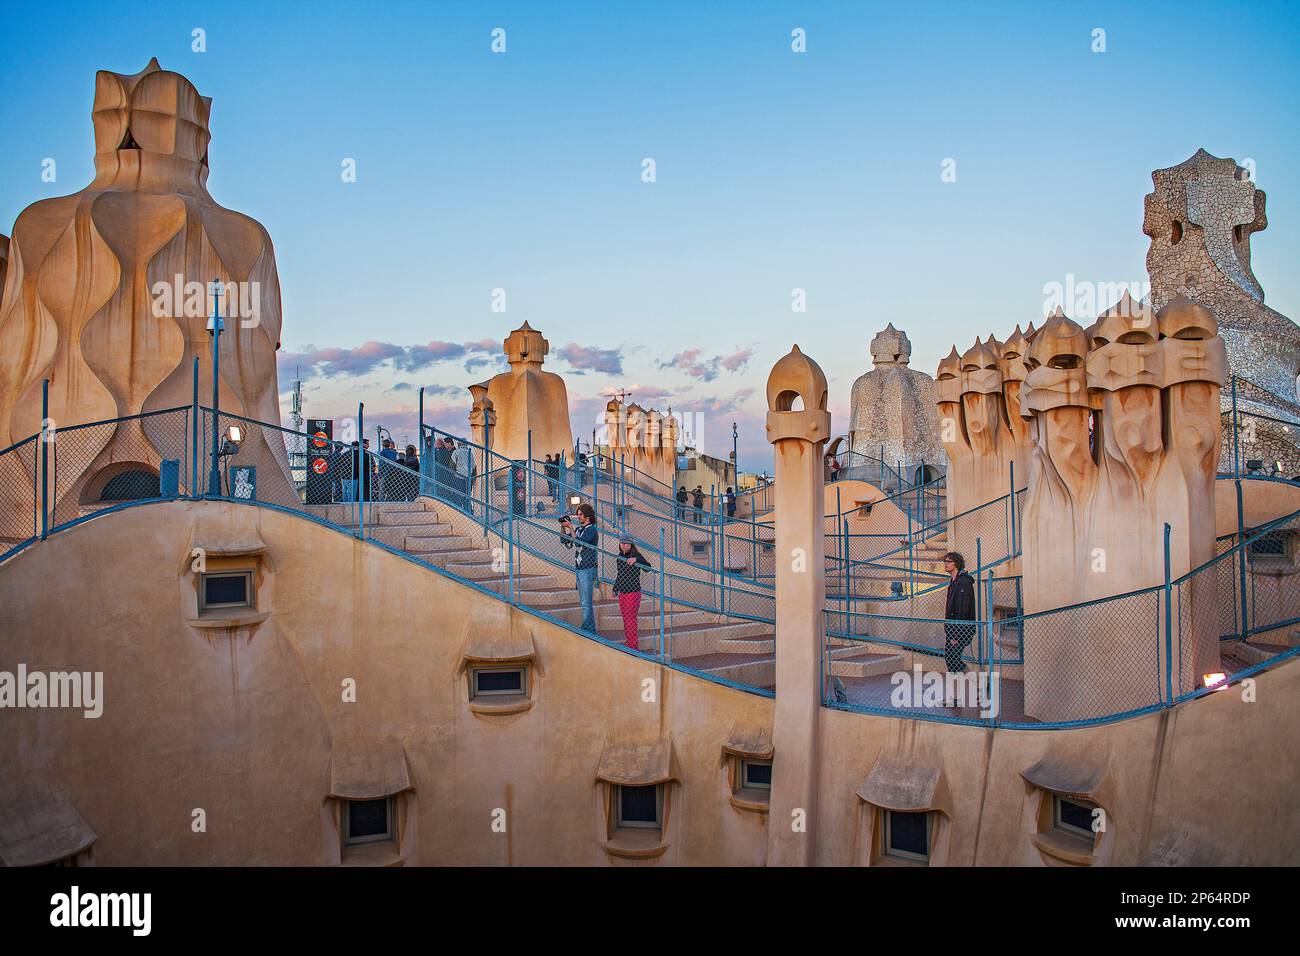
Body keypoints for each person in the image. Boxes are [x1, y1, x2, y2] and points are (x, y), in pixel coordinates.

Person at [943, 551, 977, 704]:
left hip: (960, 630)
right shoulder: (954, 581)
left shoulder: (963, 582)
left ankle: (955, 697)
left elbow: (963, 609)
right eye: (945, 561)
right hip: (954, 630)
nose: (945, 563)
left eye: (948, 561)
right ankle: (979, 685)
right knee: (952, 659)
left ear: (956, 563)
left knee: (952, 659)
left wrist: (956, 635)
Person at [561, 503, 599, 633]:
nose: (578, 517)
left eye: (581, 514)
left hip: (588, 568)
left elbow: (579, 542)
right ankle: (590, 628)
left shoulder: (591, 530)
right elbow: (564, 541)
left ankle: (588, 630)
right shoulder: (578, 529)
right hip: (579, 568)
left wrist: (571, 527)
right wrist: (563, 527)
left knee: (586, 602)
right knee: (584, 601)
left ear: (587, 515)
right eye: (577, 514)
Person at [613, 534, 652, 650]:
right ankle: (628, 642)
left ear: (631, 544)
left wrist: (637, 560)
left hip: (633, 592)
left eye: (626, 543)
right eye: (621, 543)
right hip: (622, 592)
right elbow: (619, 574)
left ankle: (633, 646)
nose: (623, 545)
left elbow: (648, 568)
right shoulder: (620, 556)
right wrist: (615, 588)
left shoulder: (636, 555)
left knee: (631, 619)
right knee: (625, 618)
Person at [451, 438, 473, 511]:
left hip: (458, 477)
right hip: (468, 478)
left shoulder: (456, 452)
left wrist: (453, 473)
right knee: (467, 496)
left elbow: (452, 465)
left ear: (459, 444)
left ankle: (460, 511)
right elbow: (474, 467)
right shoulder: (470, 453)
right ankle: (468, 511)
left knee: (459, 495)